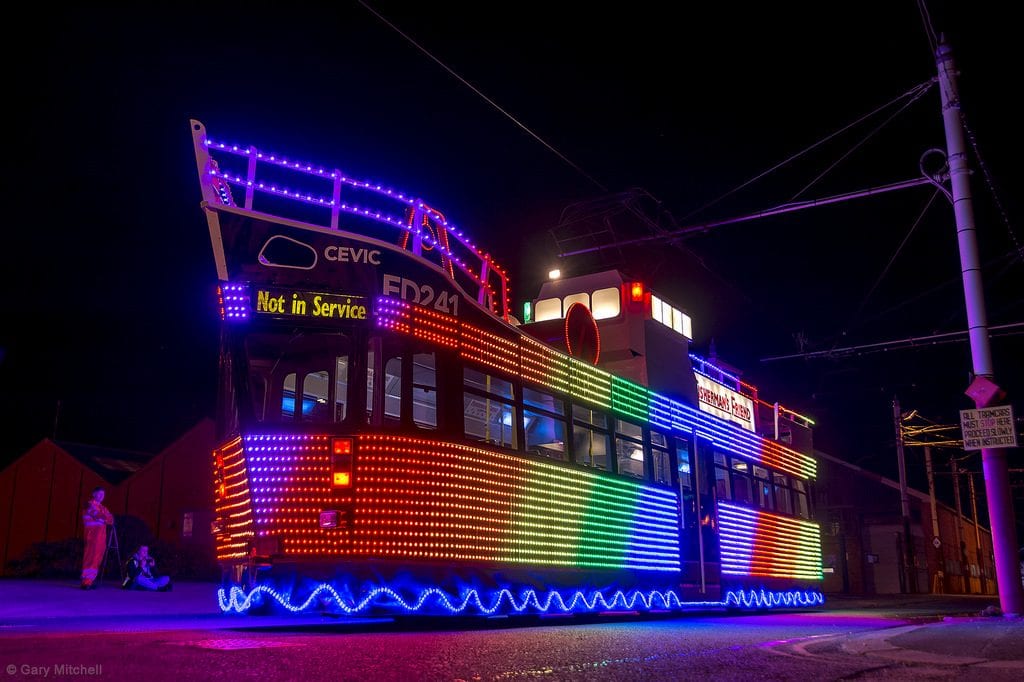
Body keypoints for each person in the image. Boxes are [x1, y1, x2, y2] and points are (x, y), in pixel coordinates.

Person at [80, 486, 113, 589]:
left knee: (97, 559)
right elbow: (98, 515)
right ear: (94, 494)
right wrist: (104, 518)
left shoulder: (102, 507)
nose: (102, 496)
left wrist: (104, 518)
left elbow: (111, 519)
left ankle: (90, 580)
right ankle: (86, 582)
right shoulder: (89, 505)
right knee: (91, 558)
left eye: (103, 494)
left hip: (101, 537)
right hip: (92, 536)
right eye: (100, 493)